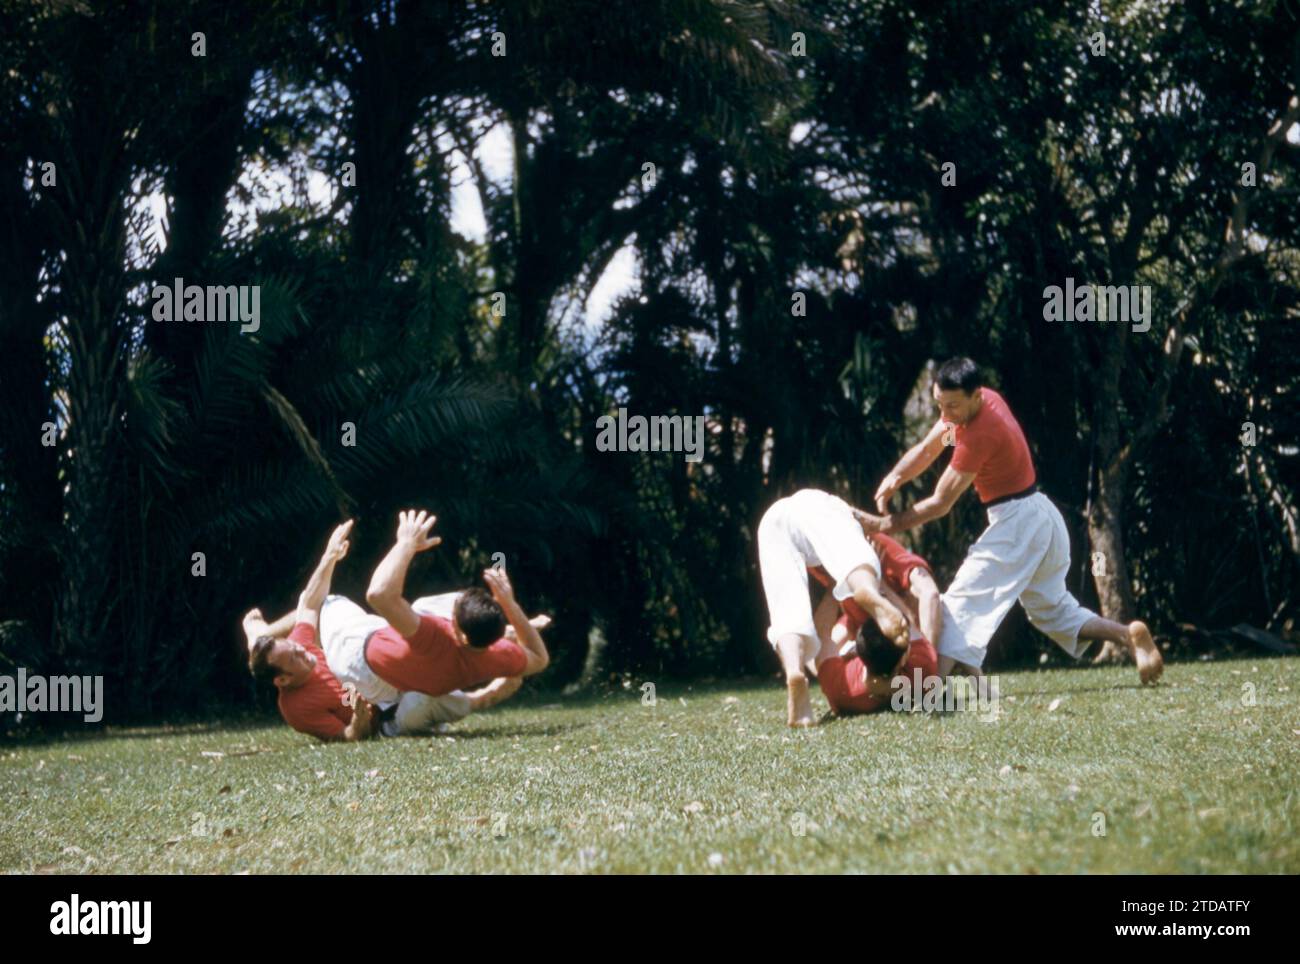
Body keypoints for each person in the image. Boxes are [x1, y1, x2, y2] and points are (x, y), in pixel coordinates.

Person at [856, 357, 1163, 685]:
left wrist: (881, 525)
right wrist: (896, 477)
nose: (945, 414)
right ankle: (1129, 635)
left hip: (1019, 522)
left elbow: (940, 504)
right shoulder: (978, 401)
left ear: (975, 397)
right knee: (1053, 611)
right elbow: (931, 447)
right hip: (1038, 516)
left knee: (960, 601)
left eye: (952, 406)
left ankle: (928, 689)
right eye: (939, 404)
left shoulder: (979, 436)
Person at [757, 488, 909, 728]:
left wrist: (876, 524)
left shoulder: (844, 683)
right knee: (853, 556)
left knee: (787, 608)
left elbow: (871, 523)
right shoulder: (849, 690)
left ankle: (794, 671)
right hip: (819, 508)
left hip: (775, 520)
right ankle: (865, 587)